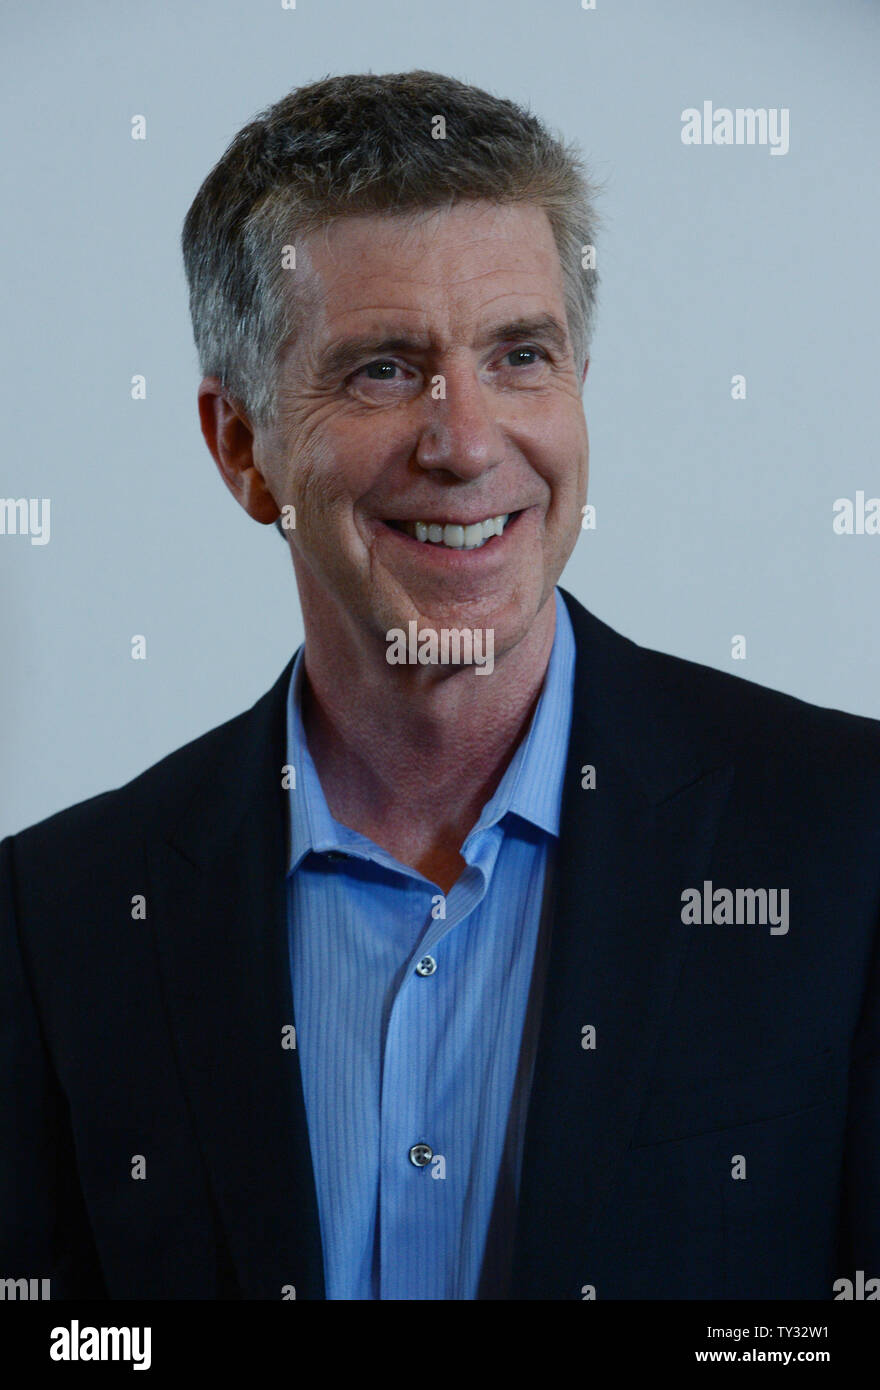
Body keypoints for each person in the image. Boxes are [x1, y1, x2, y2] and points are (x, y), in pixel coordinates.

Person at [2, 71, 878, 1301]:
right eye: (378, 369)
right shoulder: (60, 920)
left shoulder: (847, 840)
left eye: (520, 355)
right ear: (242, 448)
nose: (465, 441)